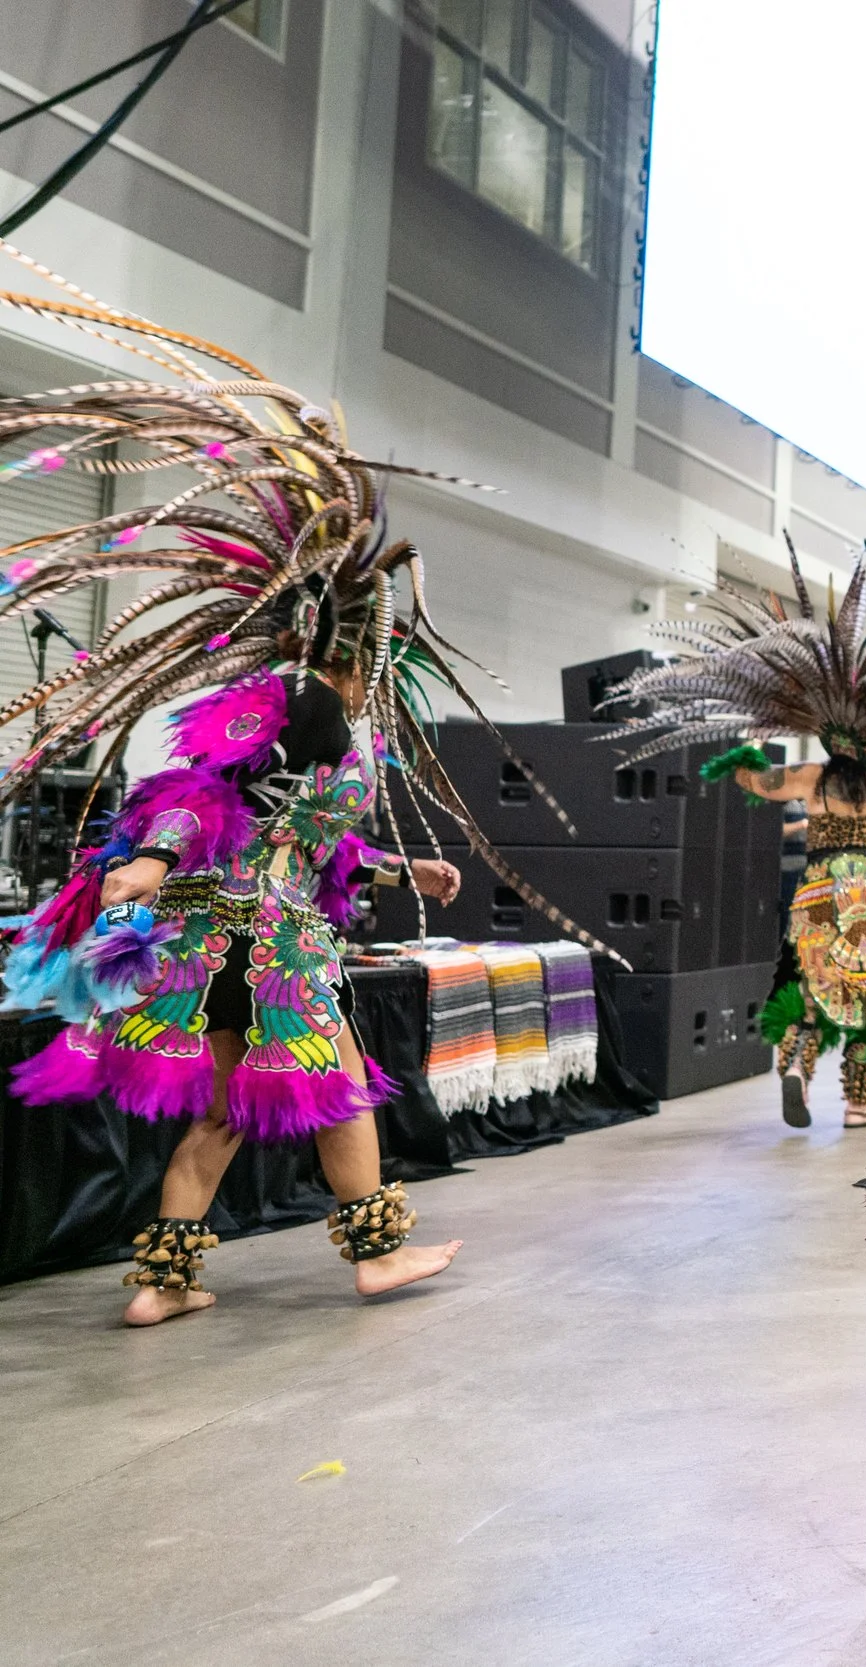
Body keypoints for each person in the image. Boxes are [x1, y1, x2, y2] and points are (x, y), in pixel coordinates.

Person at [0, 306, 583, 1323]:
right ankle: (377, 1254)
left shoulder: (317, 720)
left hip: (211, 941)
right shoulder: (302, 708)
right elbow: (204, 799)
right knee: (340, 1085)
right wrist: (142, 860)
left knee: (226, 1112)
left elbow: (303, 841)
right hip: (272, 952)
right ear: (359, 641)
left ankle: (161, 1283)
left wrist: (410, 875)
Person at [608, 555, 866, 1129]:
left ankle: (797, 1067)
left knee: (810, 986)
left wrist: (747, 739)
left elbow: (752, 779)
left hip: (821, 892)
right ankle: (858, 1103)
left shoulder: (809, 777)